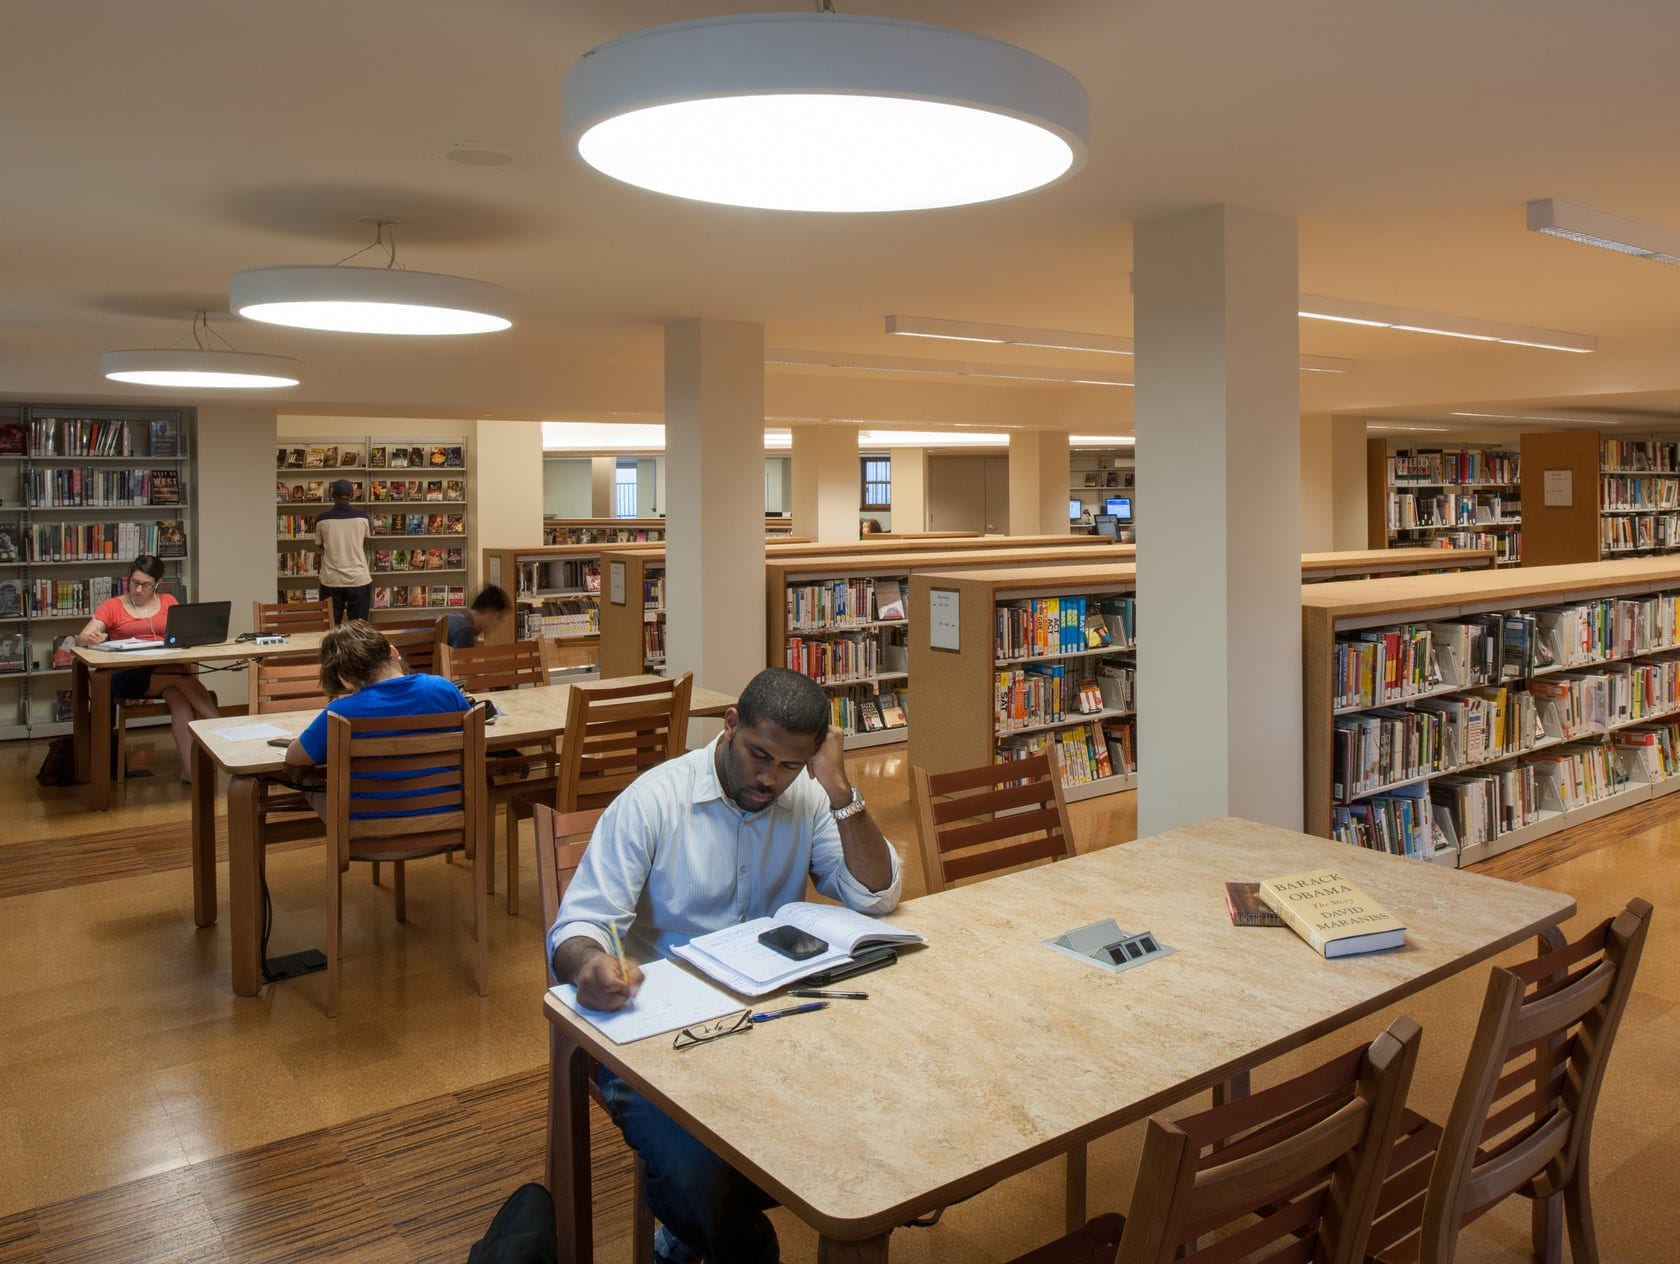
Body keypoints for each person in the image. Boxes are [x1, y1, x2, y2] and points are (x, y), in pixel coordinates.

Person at [550, 667, 901, 1264]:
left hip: (771, 1011)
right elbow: (577, 928)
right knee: (690, 1163)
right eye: (758, 756)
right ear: (729, 725)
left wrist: (839, 790)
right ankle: (736, 1245)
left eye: (790, 765)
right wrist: (591, 964)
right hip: (657, 1027)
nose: (769, 779)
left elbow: (875, 894)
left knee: (880, 1104)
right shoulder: (655, 799)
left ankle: (698, 1234)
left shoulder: (809, 796)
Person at [284, 621, 471, 813]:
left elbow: (294, 757)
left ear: (345, 678)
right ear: (393, 652)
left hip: (370, 837)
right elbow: (472, 737)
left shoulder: (340, 713)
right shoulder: (443, 688)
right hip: (448, 824)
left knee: (304, 773)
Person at [75, 554, 221, 782]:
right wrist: (90, 638)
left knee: (179, 697)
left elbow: (184, 635)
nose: (138, 589)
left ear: (158, 583)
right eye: (134, 582)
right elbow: (81, 637)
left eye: (145, 584)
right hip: (126, 676)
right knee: (179, 674)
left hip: (163, 671)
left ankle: (190, 772)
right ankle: (220, 727)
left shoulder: (169, 602)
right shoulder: (113, 606)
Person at [314, 478, 372, 623]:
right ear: (352, 496)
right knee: (358, 627)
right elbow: (364, 542)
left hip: (331, 580)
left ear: (332, 495)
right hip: (358, 578)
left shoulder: (322, 519)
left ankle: (333, 647)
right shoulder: (363, 519)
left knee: (330, 626)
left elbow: (320, 545)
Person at [443, 584, 512, 650]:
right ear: (490, 613)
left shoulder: (458, 617)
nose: (494, 626)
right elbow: (461, 661)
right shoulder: (466, 629)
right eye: (497, 618)